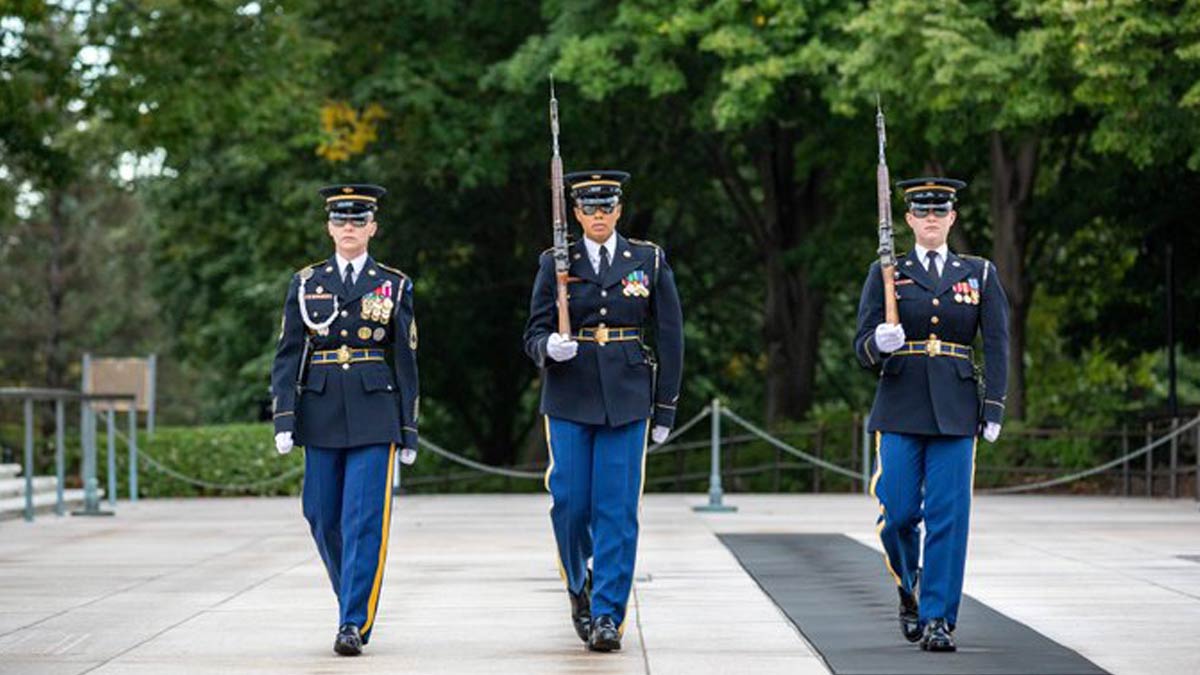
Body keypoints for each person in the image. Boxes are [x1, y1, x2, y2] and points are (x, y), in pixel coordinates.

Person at [523, 170, 684, 652]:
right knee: (569, 502)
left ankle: (608, 614)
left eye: (606, 207)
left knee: (616, 508)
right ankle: (580, 582)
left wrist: (666, 407)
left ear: (619, 210)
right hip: (570, 394)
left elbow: (670, 335)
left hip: (627, 394)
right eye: (589, 208)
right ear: (575, 213)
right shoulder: (556, 262)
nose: (598, 215)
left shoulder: (647, 260)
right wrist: (548, 346)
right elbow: (532, 331)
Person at [853, 177, 1009, 652]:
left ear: (952, 218)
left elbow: (998, 342)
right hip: (900, 403)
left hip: (957, 408)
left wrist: (995, 405)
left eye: (939, 212)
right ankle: (910, 582)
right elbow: (860, 347)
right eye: (922, 213)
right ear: (908, 220)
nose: (931, 220)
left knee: (949, 516)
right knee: (898, 513)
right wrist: (878, 344)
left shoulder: (977, 273)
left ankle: (938, 616)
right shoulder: (887, 272)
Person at [270, 183, 419, 656]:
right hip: (320, 407)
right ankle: (352, 596)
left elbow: (407, 359)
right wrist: (284, 417)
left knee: (362, 519)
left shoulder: (392, 283)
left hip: (376, 410)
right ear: (328, 227)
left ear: (373, 227)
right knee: (319, 513)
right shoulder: (306, 282)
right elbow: (288, 352)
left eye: (358, 220)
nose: (349, 228)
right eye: (340, 220)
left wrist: (409, 426)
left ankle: (353, 620)